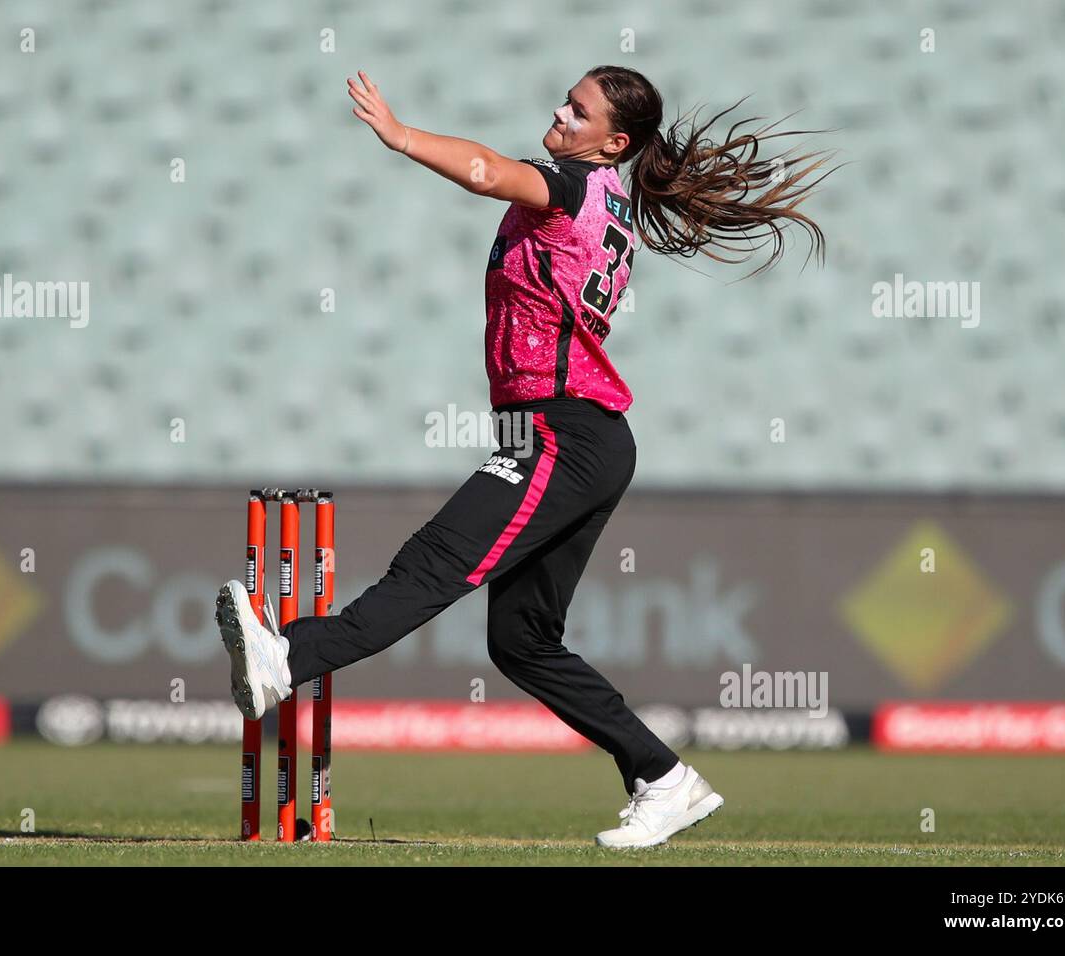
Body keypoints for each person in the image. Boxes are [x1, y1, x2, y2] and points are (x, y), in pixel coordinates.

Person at [217, 66, 833, 848]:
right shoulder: (605, 196)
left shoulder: (575, 187)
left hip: (563, 434)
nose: (558, 112)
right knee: (521, 641)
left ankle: (284, 658)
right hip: (578, 437)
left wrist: (401, 134)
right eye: (564, 101)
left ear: (614, 141)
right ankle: (665, 778)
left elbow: (486, 172)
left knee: (435, 562)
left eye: (578, 111)